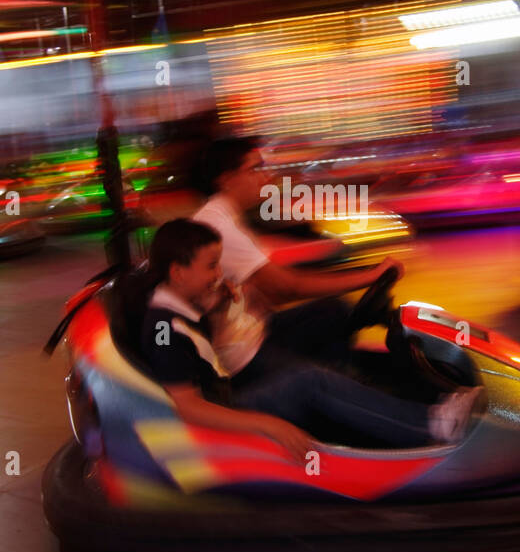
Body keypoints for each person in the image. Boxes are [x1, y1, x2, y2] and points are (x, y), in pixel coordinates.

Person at [140, 219, 483, 459]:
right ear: (178, 271)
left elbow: (202, 340)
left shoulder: (180, 301)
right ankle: (432, 426)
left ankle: (378, 414)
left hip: (227, 392)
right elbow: (188, 408)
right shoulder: (165, 330)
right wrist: (268, 424)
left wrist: (217, 300)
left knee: (328, 328)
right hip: (222, 412)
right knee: (309, 381)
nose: (219, 274)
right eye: (212, 267)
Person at [191, 136, 399, 385]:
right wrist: (371, 276)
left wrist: (324, 252)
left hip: (255, 332)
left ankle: (350, 380)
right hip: (244, 355)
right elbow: (287, 287)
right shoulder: (219, 227)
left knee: (335, 311)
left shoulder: (227, 218)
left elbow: (276, 283)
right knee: (331, 370)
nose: (264, 177)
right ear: (226, 179)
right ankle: (346, 390)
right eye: (254, 169)